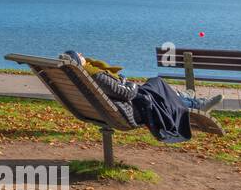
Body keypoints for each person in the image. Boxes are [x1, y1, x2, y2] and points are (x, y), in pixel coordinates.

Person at [61, 50, 222, 141]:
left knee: (155, 86)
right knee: (157, 82)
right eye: (79, 54)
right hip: (129, 109)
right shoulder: (95, 75)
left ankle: (189, 101)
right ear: (78, 61)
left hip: (109, 108)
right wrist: (127, 82)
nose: (82, 54)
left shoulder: (78, 78)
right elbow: (123, 92)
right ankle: (192, 103)